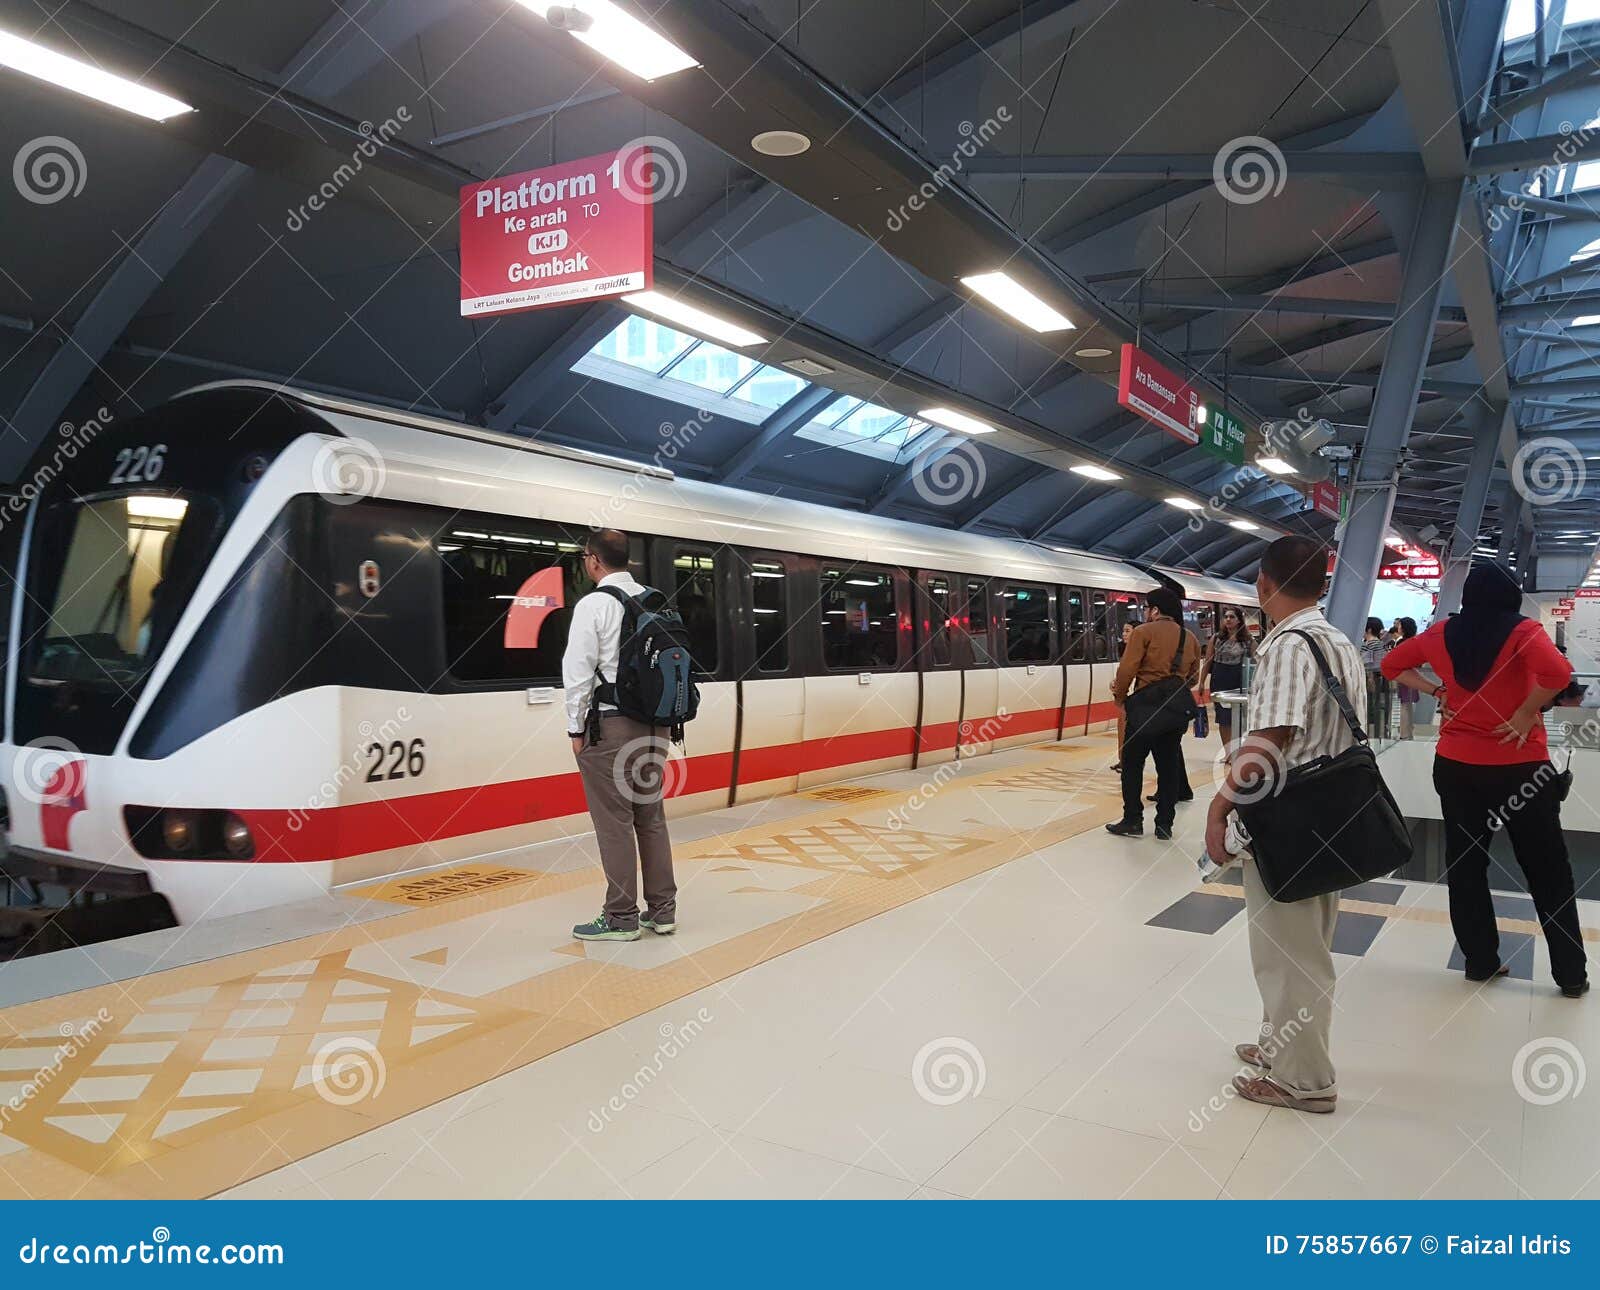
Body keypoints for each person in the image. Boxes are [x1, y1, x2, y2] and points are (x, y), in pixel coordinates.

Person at [1205, 535, 1364, 1115]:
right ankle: (1279, 1045)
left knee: (1289, 952)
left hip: (1292, 820)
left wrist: (1220, 806)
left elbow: (1270, 742)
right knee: (1303, 940)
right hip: (1330, 814)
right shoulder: (1335, 640)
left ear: (1263, 585)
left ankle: (1306, 1080)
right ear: (1322, 585)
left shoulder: (1286, 646)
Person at [1383, 563, 1588, 998]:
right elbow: (1559, 676)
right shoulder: (1524, 632)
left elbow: (1391, 664)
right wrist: (1524, 711)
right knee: (1548, 870)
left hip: (1457, 767)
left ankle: (1480, 962)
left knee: (1466, 865)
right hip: (1521, 771)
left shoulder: (1441, 634)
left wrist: (1438, 692)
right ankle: (1571, 975)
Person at [562, 528, 677, 943]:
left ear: (593, 560)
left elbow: (577, 676)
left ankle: (621, 917)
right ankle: (662, 912)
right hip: (657, 727)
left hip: (611, 728)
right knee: (651, 820)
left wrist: (576, 729)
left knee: (614, 823)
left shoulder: (594, 604)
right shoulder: (654, 599)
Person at [1106, 587, 1198, 841]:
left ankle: (1133, 819)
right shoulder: (1188, 637)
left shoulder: (1142, 633)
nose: (1145, 613)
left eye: (1147, 608)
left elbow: (1126, 671)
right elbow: (1194, 677)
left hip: (1144, 711)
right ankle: (1164, 824)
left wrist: (1120, 698)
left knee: (1132, 764)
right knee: (1168, 767)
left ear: (1155, 610)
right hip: (1173, 713)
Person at [1198, 606, 1254, 748]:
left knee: (1239, 717)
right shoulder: (1217, 638)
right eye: (1226, 617)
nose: (1228, 620)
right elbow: (1208, 661)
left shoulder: (1247, 640)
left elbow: (1258, 659)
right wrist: (1201, 682)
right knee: (1223, 717)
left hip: (1238, 678)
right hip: (1220, 678)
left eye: (1232, 617)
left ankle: (1238, 747)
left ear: (1239, 620)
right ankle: (1227, 750)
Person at [1111, 619, 1137, 772]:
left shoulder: (1137, 652)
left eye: (1128, 631)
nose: (1124, 634)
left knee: (1128, 730)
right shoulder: (1125, 651)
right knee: (1122, 728)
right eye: (1123, 631)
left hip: (1133, 696)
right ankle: (1122, 759)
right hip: (1124, 696)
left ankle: (1127, 762)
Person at [1393, 616, 1420, 738]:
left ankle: (1404, 733)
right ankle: (1409, 731)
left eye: (1399, 625)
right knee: (1409, 705)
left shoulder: (1401, 642)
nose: (1397, 627)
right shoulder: (1416, 641)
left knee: (1404, 704)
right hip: (1414, 674)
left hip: (1403, 675)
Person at [1360, 616, 1387, 735]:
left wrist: (1369, 679)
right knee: (1375, 703)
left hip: (1369, 677)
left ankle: (1368, 727)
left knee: (1368, 703)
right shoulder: (1380, 644)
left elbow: (1367, 664)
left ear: (1369, 629)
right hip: (1378, 677)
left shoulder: (1368, 644)